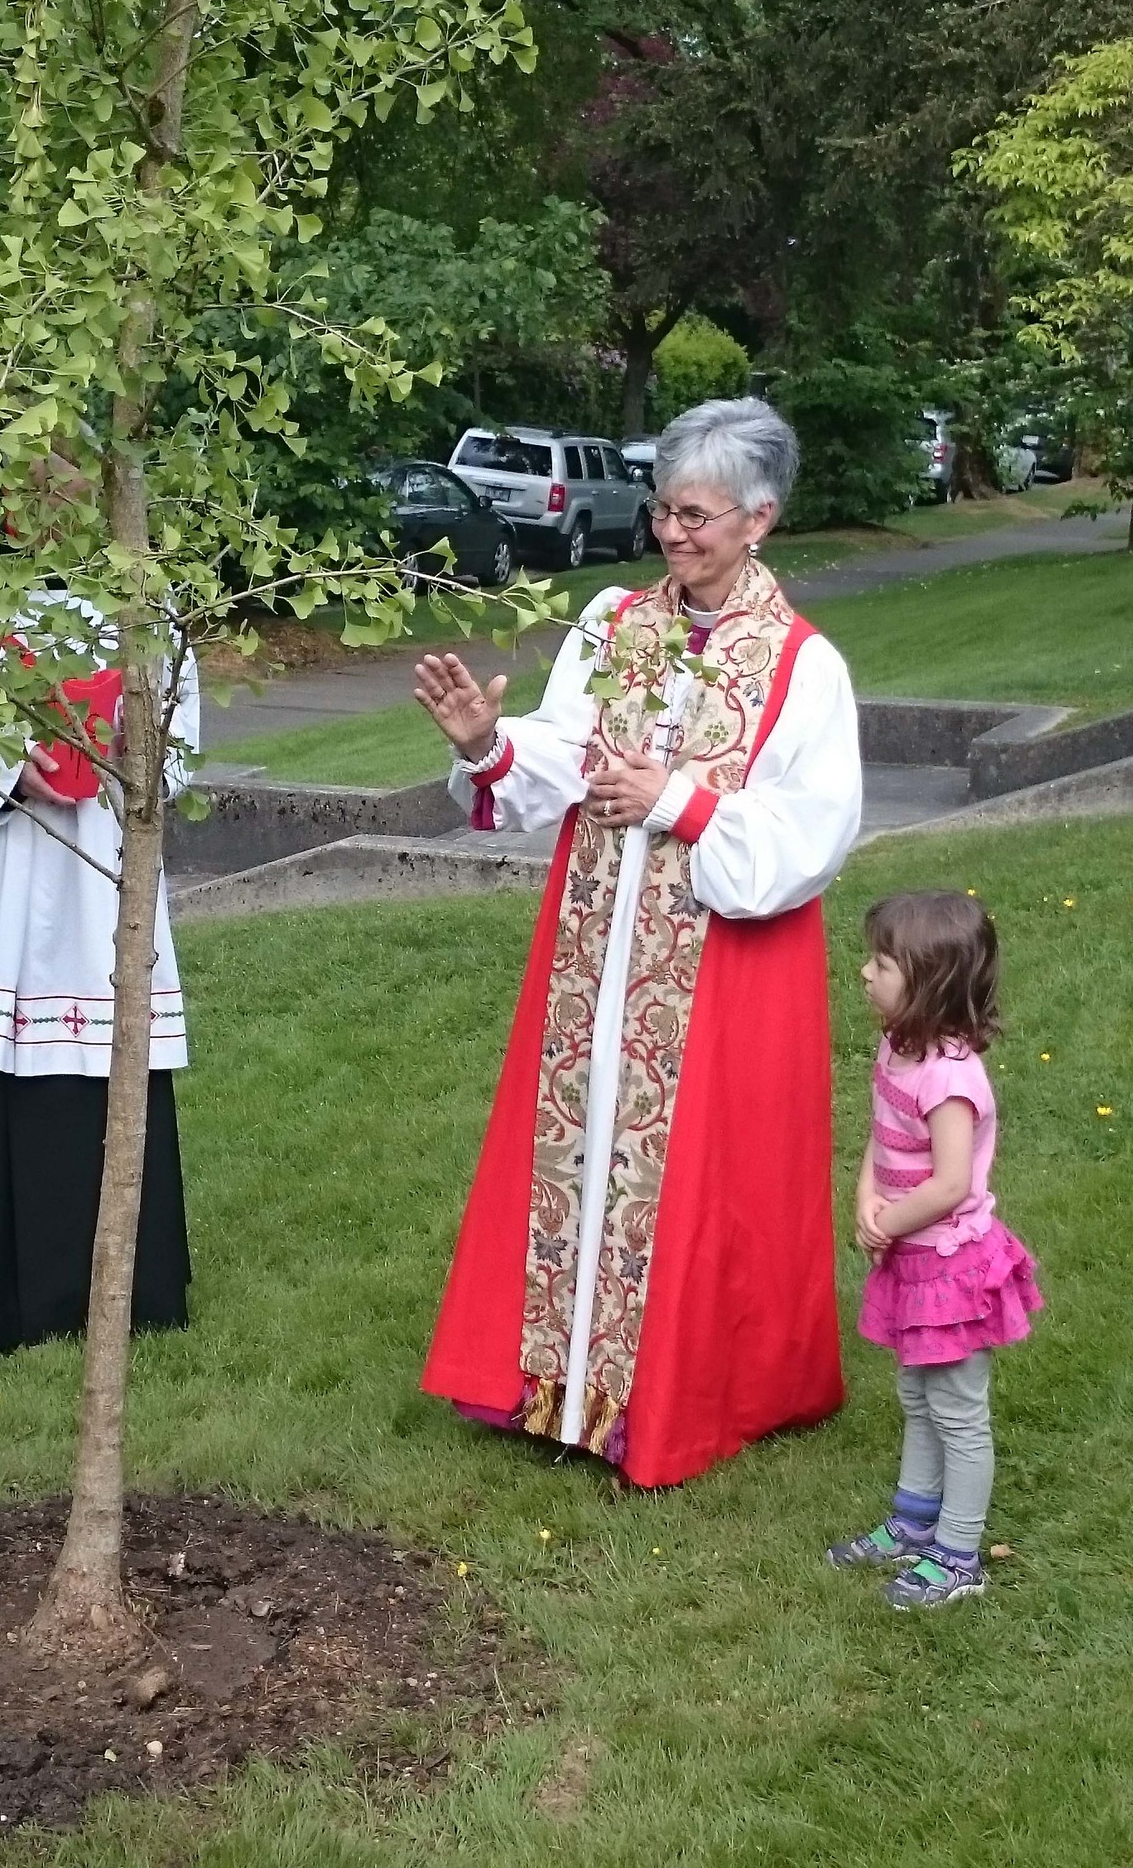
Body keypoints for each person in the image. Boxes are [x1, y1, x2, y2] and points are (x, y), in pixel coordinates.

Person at [417, 397, 863, 1489]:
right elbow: (566, 756)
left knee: (708, 1177)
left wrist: (682, 803)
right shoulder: (617, 622)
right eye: (665, 507)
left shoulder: (804, 666)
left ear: (760, 520)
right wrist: (488, 744)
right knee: (586, 1127)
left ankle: (683, 1395)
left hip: (723, 967)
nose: (672, 532)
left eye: (698, 514)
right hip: (595, 943)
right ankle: (555, 1382)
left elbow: (815, 835)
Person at [0, 533, 198, 1356]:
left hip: (97, 884)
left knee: (93, 1057)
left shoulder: (142, 593)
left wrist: (130, 748)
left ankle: (108, 1294)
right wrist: (3, 769)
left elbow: (180, 746)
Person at [827, 891, 1042, 1607]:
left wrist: (888, 1221)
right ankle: (914, 1523)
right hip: (913, 1258)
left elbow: (950, 1182)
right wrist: (866, 1196)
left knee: (957, 1411)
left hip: (950, 1264)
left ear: (928, 983)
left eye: (880, 963)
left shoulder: (951, 1078)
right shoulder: (899, 1043)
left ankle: (959, 1556)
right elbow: (883, 1136)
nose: (863, 972)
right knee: (918, 1394)